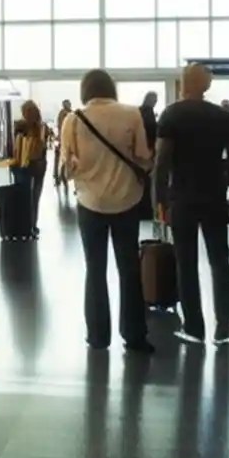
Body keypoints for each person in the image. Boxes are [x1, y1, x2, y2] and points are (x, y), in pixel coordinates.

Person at [60, 70, 154, 353]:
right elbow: (143, 157)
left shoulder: (73, 119)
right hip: (126, 201)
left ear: (85, 89)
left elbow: (67, 167)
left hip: (90, 203)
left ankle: (98, 336)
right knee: (129, 269)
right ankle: (134, 335)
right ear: (111, 88)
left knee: (95, 270)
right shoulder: (132, 114)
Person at [154, 64, 229, 344]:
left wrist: (159, 198)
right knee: (220, 261)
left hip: (183, 198)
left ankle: (194, 327)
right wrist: (226, 179)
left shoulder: (172, 115)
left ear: (183, 84)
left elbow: (162, 161)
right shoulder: (224, 118)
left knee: (186, 262)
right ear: (207, 86)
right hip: (214, 196)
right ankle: (224, 324)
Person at [11, 100, 53, 231]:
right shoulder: (40, 127)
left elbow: (17, 146)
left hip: (28, 164)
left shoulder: (22, 126)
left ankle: (28, 224)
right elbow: (44, 145)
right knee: (34, 196)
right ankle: (32, 224)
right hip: (36, 163)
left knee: (27, 195)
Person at [137, 91, 159, 223]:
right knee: (148, 180)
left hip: (140, 151)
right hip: (149, 151)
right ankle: (147, 210)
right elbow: (151, 131)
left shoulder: (139, 111)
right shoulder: (148, 112)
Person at [54, 99, 72, 189]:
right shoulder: (67, 114)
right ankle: (60, 177)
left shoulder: (64, 113)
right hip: (65, 140)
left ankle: (59, 177)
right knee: (63, 159)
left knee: (60, 160)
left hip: (62, 140)